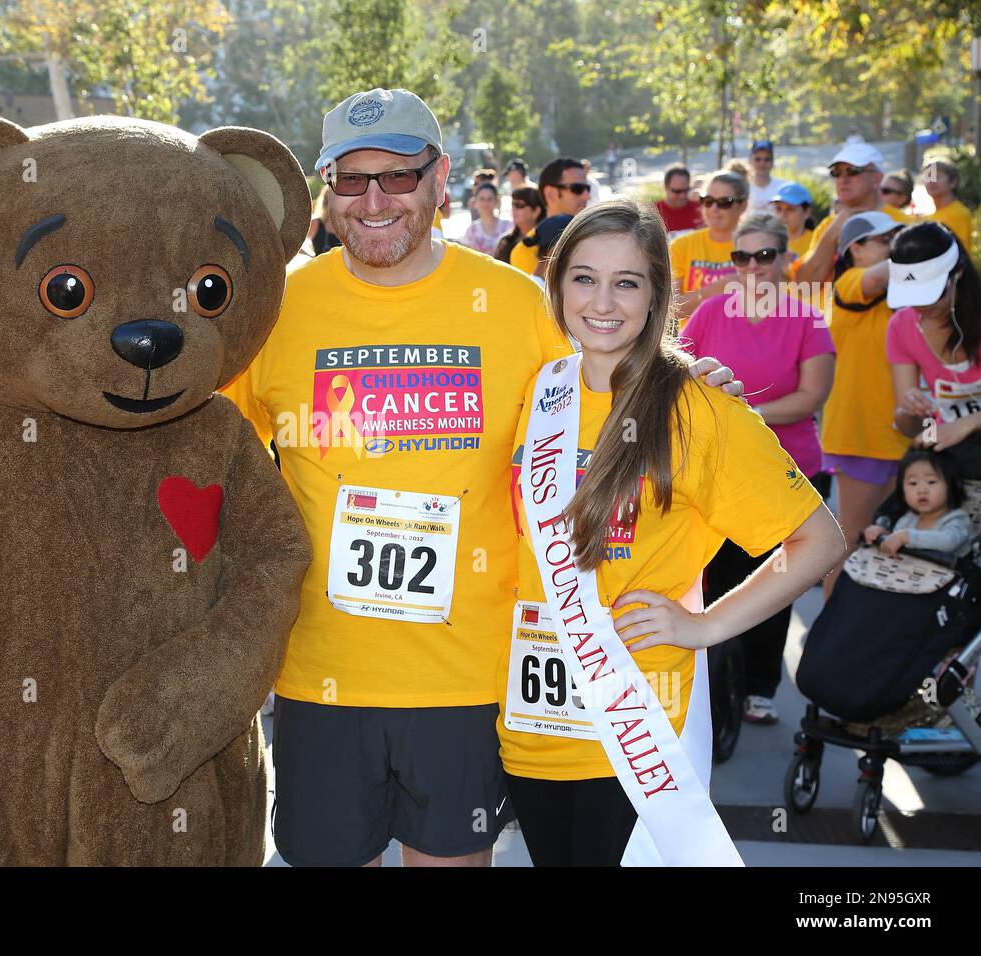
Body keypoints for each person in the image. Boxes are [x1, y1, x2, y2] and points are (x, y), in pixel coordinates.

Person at [223, 88, 739, 868]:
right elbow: (206, 457)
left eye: (397, 177)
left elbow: (610, 380)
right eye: (351, 178)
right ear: (325, 184)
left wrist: (685, 383)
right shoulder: (278, 308)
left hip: (469, 679)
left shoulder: (516, 305)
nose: (373, 201)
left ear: (441, 178)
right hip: (320, 677)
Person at [499, 199, 844, 866]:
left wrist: (707, 625)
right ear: (557, 283)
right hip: (532, 726)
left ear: (658, 292)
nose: (603, 300)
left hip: (638, 726)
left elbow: (820, 541)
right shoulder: (540, 392)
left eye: (627, 282)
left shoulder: (699, 407)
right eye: (584, 277)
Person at [682, 213, 835, 725]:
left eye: (764, 256)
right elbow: (677, 375)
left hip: (786, 472)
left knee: (774, 580)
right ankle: (713, 679)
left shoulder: (808, 320)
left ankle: (760, 685)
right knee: (715, 581)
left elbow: (812, 397)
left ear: (787, 261)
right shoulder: (709, 313)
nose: (751, 267)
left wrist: (739, 415)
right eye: (740, 257)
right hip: (711, 475)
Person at [820, 211, 911, 595]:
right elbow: (880, 275)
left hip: (902, 435)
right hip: (859, 434)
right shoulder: (849, 283)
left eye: (897, 238)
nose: (893, 246)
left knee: (886, 538)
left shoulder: (903, 292)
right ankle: (829, 635)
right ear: (855, 248)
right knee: (851, 535)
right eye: (885, 239)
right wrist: (920, 245)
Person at [887, 221, 981, 452]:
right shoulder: (901, 326)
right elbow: (913, 428)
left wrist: (969, 423)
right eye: (912, 295)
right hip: (951, 453)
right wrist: (909, 412)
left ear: (957, 273)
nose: (920, 305)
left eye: (930, 294)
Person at [795, 143, 912, 288]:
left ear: (877, 178)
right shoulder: (829, 225)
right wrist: (834, 231)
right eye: (836, 172)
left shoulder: (904, 223)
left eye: (853, 171)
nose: (843, 179)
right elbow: (805, 286)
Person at [670, 168, 749, 321]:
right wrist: (714, 291)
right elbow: (671, 309)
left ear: (743, 205)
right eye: (708, 201)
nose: (714, 209)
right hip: (695, 342)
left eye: (724, 202)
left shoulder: (758, 248)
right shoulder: (681, 246)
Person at [863, 449, 971, 557]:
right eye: (913, 483)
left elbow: (949, 542)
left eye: (931, 482)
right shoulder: (908, 519)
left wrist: (907, 537)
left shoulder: (957, 519)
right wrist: (883, 534)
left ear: (951, 486)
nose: (921, 490)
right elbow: (897, 539)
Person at [528, 157, 590, 263]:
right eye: (577, 189)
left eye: (588, 189)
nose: (587, 196)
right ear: (550, 194)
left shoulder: (592, 239)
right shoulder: (526, 251)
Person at [923, 159, 972, 254]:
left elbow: (959, 254)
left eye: (938, 176)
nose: (931, 181)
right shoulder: (932, 214)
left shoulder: (958, 214)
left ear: (953, 182)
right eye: (928, 176)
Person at [494, 186, 545, 275]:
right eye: (513, 204)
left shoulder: (547, 243)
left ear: (536, 211)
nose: (514, 209)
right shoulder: (504, 242)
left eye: (519, 205)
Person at [768, 182, 816, 265]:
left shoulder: (816, 243)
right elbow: (751, 275)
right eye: (778, 209)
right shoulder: (765, 240)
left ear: (806, 213)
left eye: (790, 209)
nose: (783, 215)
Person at [461, 181, 511, 255]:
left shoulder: (508, 226)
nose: (486, 203)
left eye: (490, 199)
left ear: (496, 201)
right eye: (482, 199)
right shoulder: (471, 230)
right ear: (476, 202)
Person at [655, 164, 703, 236]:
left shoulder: (701, 210)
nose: (682, 195)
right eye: (677, 191)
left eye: (685, 190)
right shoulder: (654, 213)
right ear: (666, 187)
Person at [746, 139, 793, 212]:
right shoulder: (743, 188)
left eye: (767, 159)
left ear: (772, 162)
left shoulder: (783, 188)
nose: (762, 163)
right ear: (750, 161)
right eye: (757, 159)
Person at [307, 185, 342, 256]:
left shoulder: (347, 224)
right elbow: (299, 245)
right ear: (324, 202)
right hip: (320, 266)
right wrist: (311, 256)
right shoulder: (316, 223)